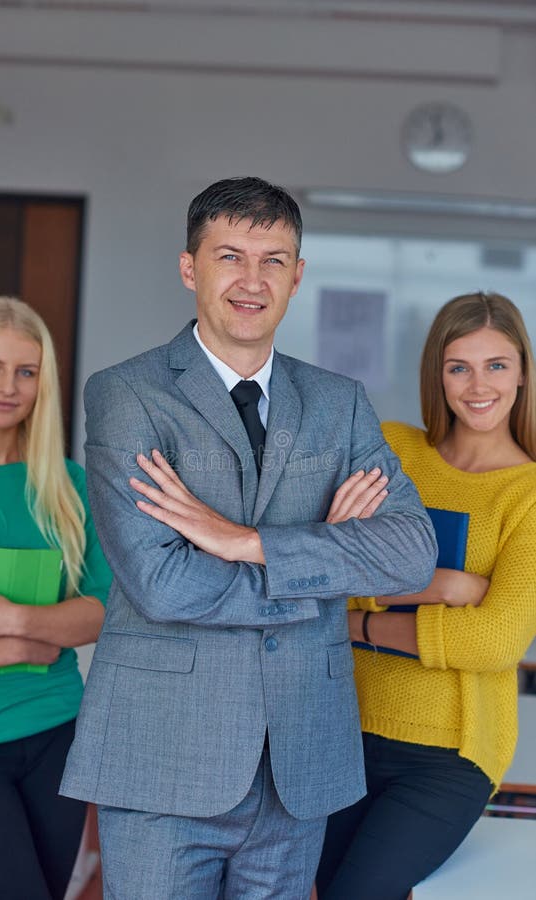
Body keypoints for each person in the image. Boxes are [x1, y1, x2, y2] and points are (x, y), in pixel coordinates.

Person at [60, 176, 436, 900]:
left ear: (296, 277)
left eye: (272, 260)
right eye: (230, 255)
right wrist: (319, 562)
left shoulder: (338, 402)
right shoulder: (127, 394)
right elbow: (160, 585)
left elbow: (409, 554)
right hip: (164, 758)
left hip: (297, 763)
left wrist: (246, 542)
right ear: (189, 267)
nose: (250, 279)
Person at [316, 291, 536, 900]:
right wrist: (451, 587)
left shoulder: (529, 495)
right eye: (458, 366)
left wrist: (361, 624)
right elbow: (330, 570)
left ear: (522, 373)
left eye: (497, 365)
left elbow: (494, 641)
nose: (478, 385)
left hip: (450, 756)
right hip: (344, 728)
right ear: (436, 375)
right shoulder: (392, 450)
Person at [0, 297, 112, 900]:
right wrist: (30, 643)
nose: (7, 386)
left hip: (57, 731)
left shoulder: (69, 488)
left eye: (25, 371)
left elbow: (100, 611)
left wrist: (13, 618)